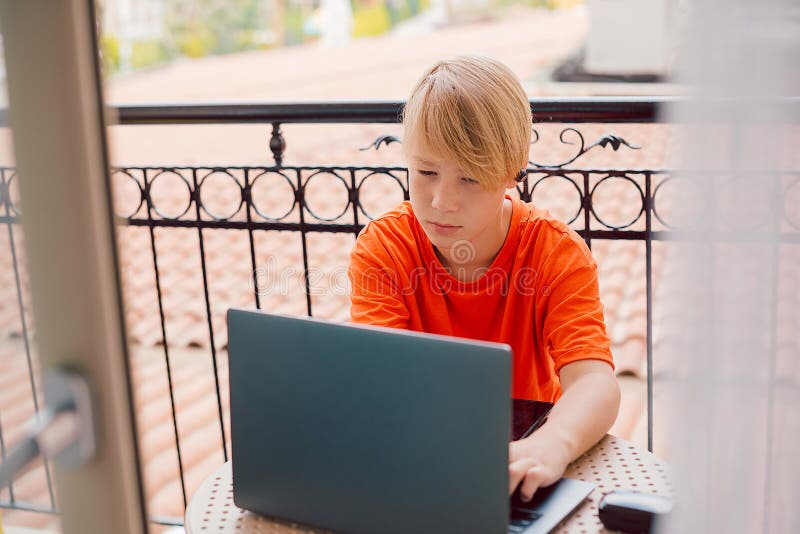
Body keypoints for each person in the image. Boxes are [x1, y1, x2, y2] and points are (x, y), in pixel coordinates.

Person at [347, 55, 620, 501]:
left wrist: (554, 442)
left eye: (469, 179)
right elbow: (381, 384)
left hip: (520, 468)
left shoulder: (554, 251)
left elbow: (594, 381)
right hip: (420, 468)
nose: (441, 201)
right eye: (426, 172)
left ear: (513, 171)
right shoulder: (384, 248)